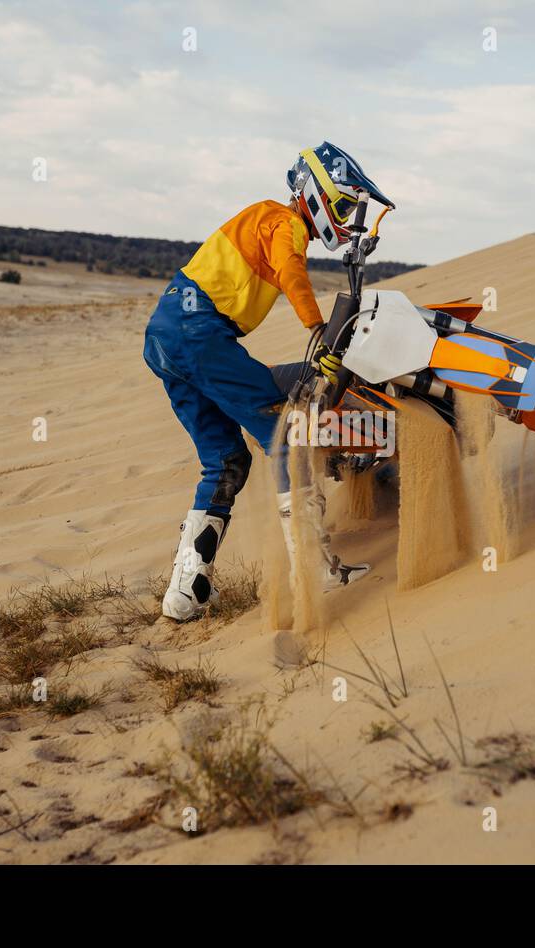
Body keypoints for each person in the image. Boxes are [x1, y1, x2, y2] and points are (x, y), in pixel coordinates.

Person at [143, 142, 392, 621]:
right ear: (314, 194)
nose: (344, 219)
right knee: (285, 438)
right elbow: (290, 270)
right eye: (342, 205)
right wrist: (317, 329)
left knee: (226, 462)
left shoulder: (267, 219)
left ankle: (184, 592)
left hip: (167, 336)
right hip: (199, 334)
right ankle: (313, 568)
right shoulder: (285, 221)